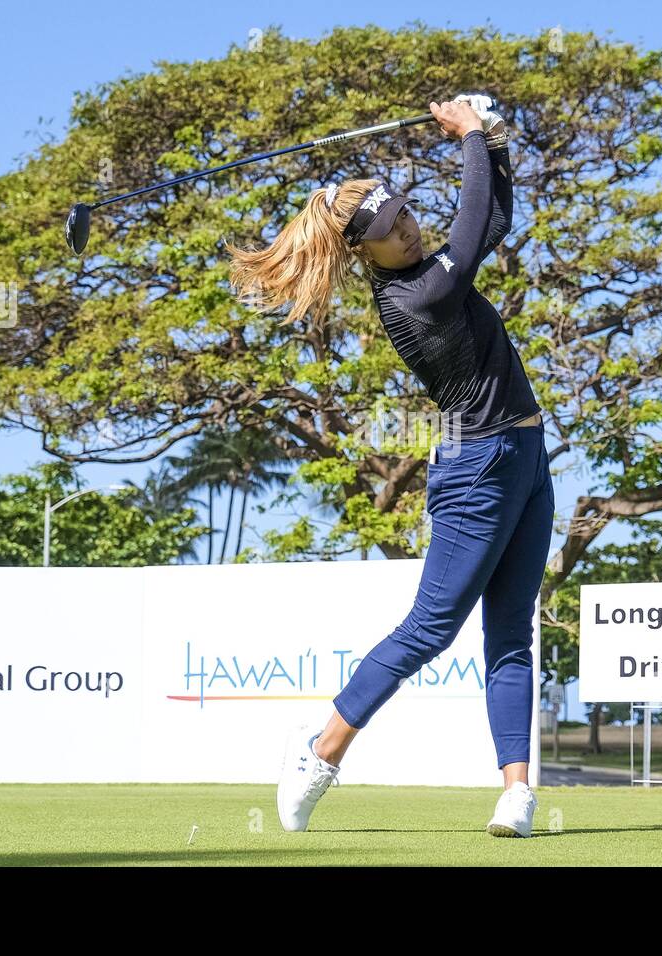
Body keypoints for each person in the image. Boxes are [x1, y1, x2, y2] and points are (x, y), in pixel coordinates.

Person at [226, 95, 553, 838]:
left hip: (526, 457)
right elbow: (469, 240)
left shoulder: (430, 266)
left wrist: (494, 146)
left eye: (404, 213)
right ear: (362, 252)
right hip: (477, 465)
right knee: (431, 629)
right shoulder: (415, 297)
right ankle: (321, 753)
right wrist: (471, 136)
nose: (406, 227)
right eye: (389, 230)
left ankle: (516, 795)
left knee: (511, 635)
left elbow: (491, 221)